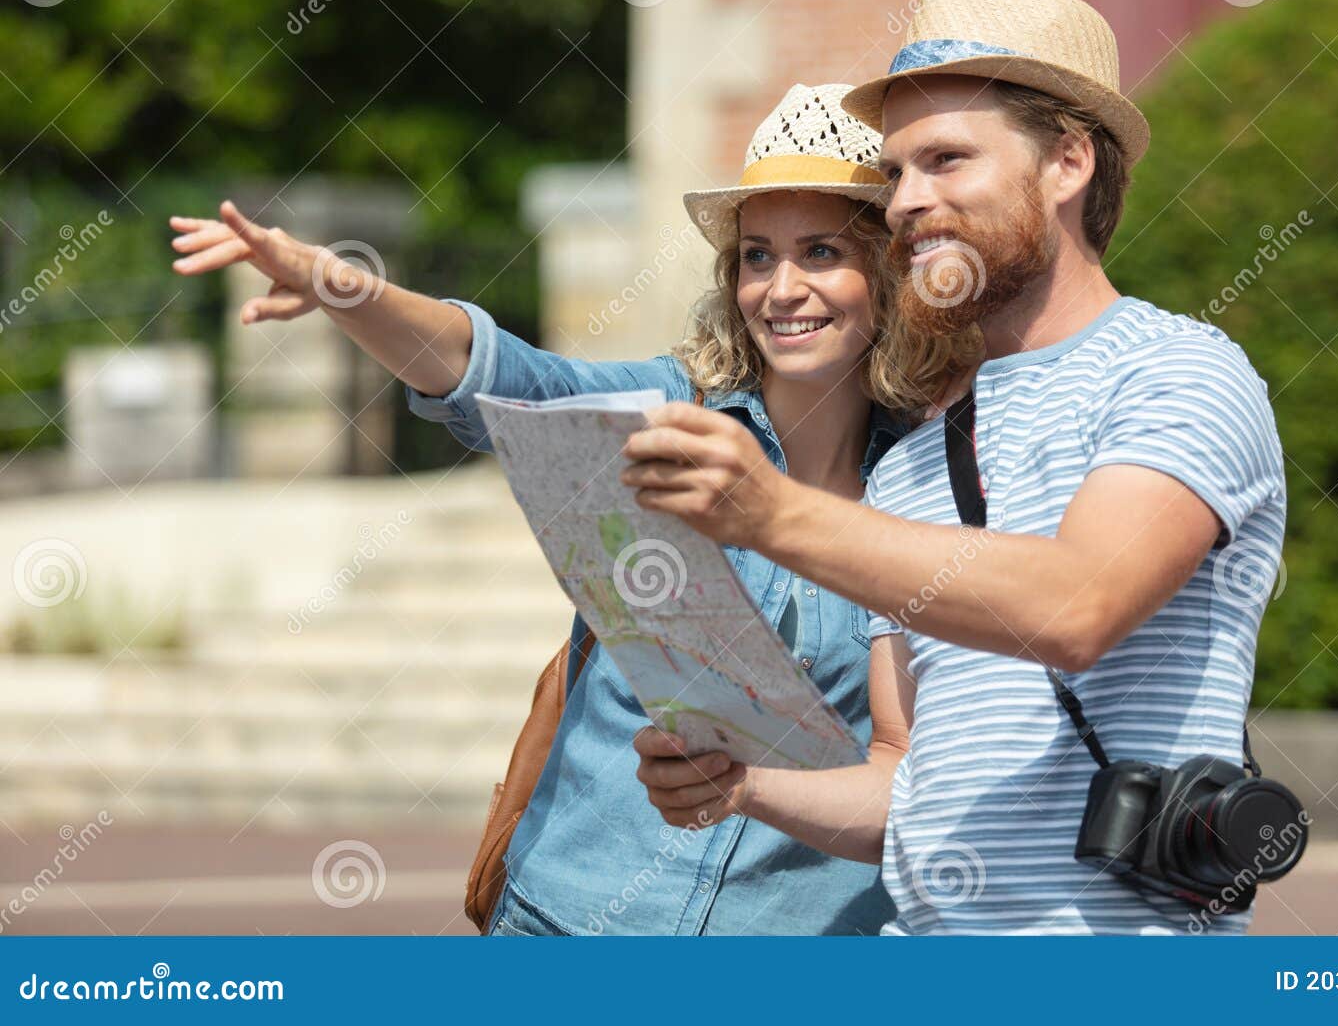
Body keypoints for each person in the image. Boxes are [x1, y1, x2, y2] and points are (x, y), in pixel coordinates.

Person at [169, 82, 979, 935]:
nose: (780, 288)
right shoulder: (668, 414)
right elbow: (504, 378)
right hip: (562, 924)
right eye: (756, 255)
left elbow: (910, 773)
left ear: (886, 274)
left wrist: (756, 790)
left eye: (820, 252)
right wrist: (346, 290)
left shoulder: (932, 485)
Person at [629, 0, 1289, 935]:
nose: (905, 203)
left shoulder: (1180, 371)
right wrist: (743, 785)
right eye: (896, 173)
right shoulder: (908, 463)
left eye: (945, 160)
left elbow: (1078, 603)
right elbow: (906, 780)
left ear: (1067, 162)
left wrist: (773, 512)